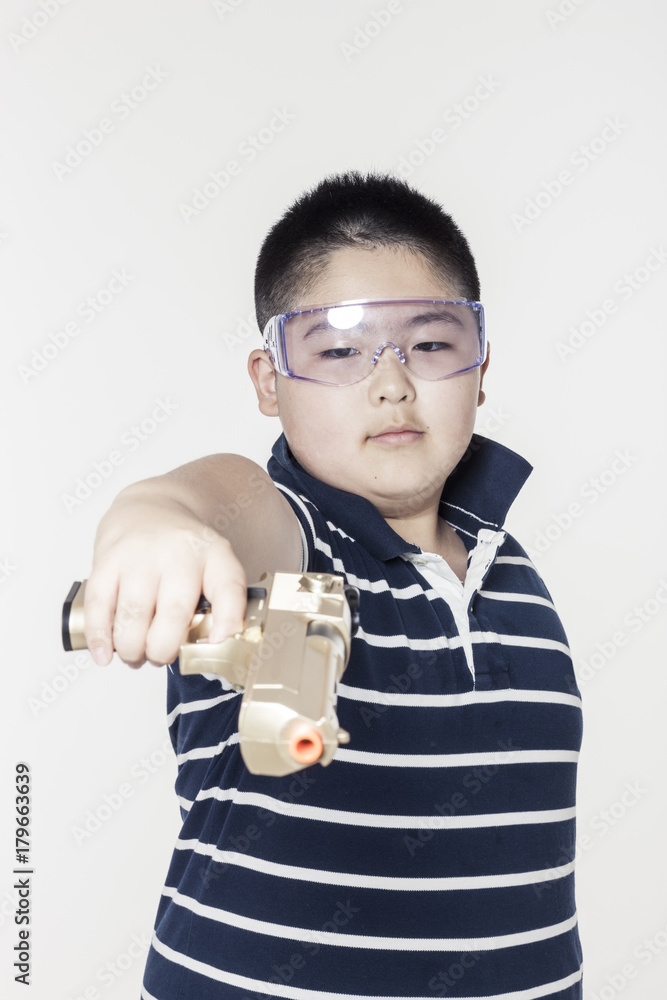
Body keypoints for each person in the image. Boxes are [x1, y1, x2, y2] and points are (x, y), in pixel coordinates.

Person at [85, 172, 583, 999]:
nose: (390, 383)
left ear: (479, 365)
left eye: (429, 344)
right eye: (339, 350)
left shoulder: (514, 568)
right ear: (268, 380)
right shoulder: (289, 541)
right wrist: (154, 521)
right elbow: (222, 499)